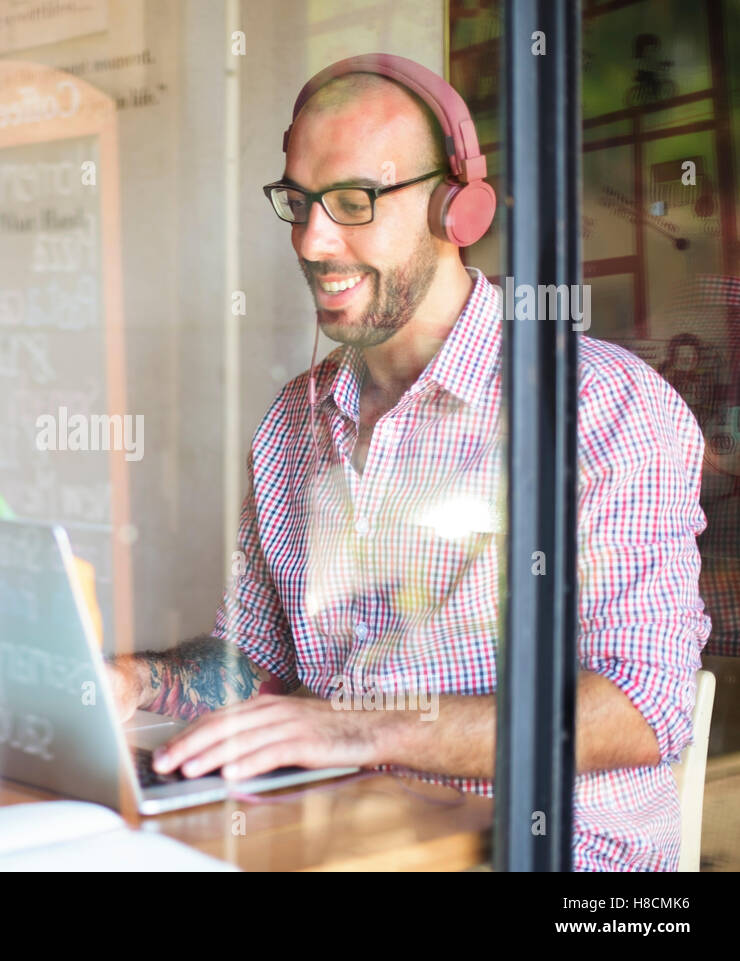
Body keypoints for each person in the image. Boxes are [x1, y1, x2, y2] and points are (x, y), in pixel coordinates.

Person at [105, 54, 711, 871]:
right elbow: (255, 662)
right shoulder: (292, 421)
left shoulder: (603, 410)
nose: (314, 241)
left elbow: (644, 704)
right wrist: (132, 679)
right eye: (300, 202)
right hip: (348, 840)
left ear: (455, 210)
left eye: (353, 201)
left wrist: (355, 728)